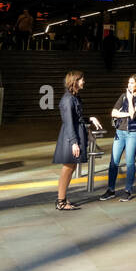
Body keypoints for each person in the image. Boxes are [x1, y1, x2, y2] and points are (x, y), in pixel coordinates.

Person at [52, 70, 100, 211]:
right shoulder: (68, 99)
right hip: (69, 137)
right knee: (67, 168)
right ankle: (61, 201)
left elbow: (76, 118)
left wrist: (89, 119)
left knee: (70, 167)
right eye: (81, 79)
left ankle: (62, 199)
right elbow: (68, 122)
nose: (83, 81)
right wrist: (74, 142)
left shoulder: (75, 97)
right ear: (74, 81)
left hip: (73, 135)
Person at [102, 74, 136, 201]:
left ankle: (128, 190)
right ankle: (111, 189)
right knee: (113, 162)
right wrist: (127, 112)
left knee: (129, 162)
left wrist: (130, 100)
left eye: (132, 83)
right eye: (129, 83)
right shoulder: (123, 96)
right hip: (120, 132)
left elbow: (134, 116)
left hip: (133, 133)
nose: (129, 85)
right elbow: (113, 112)